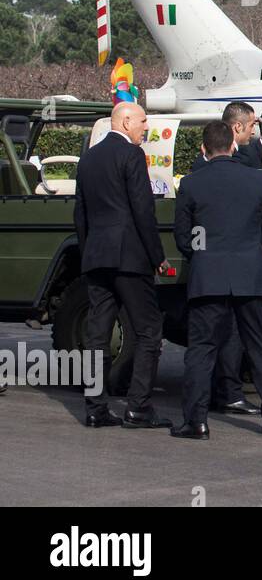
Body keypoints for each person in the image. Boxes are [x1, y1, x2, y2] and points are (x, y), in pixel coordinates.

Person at [170, 121, 262, 439]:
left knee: (202, 349)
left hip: (209, 276)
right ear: (233, 145)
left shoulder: (192, 183)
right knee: (259, 345)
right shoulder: (256, 180)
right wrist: (247, 249)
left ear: (204, 149)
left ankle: (197, 420)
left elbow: (183, 236)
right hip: (250, 273)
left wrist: (204, 256)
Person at [74, 102, 172, 429]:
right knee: (149, 331)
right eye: (143, 121)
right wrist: (157, 256)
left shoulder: (88, 158)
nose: (146, 127)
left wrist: (90, 252)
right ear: (126, 121)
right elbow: (143, 211)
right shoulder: (131, 155)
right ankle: (138, 408)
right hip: (129, 257)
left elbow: (81, 214)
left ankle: (95, 408)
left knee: (97, 334)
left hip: (97, 257)